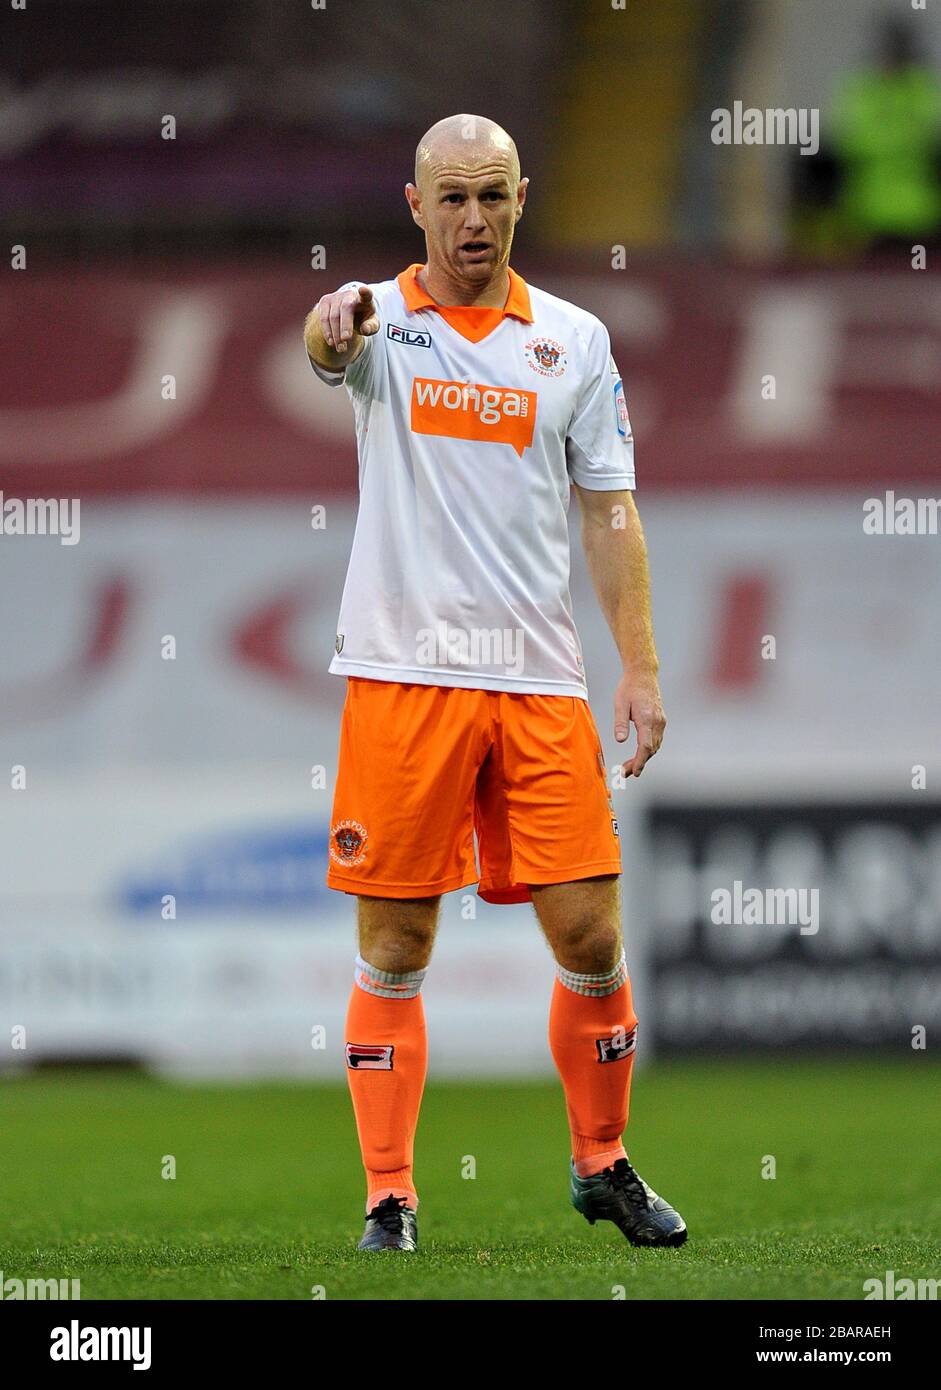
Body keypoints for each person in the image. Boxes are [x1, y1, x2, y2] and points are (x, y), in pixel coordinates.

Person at [304, 114, 686, 1253]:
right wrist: (326, 332)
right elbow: (325, 350)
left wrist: (642, 666)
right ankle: (388, 1192)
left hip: (535, 682)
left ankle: (602, 1163)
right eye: (451, 199)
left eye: (493, 196)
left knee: (589, 937)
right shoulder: (377, 319)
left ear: (524, 196)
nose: (473, 219)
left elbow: (609, 512)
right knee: (397, 947)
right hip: (403, 678)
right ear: (412, 205)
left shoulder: (573, 340)